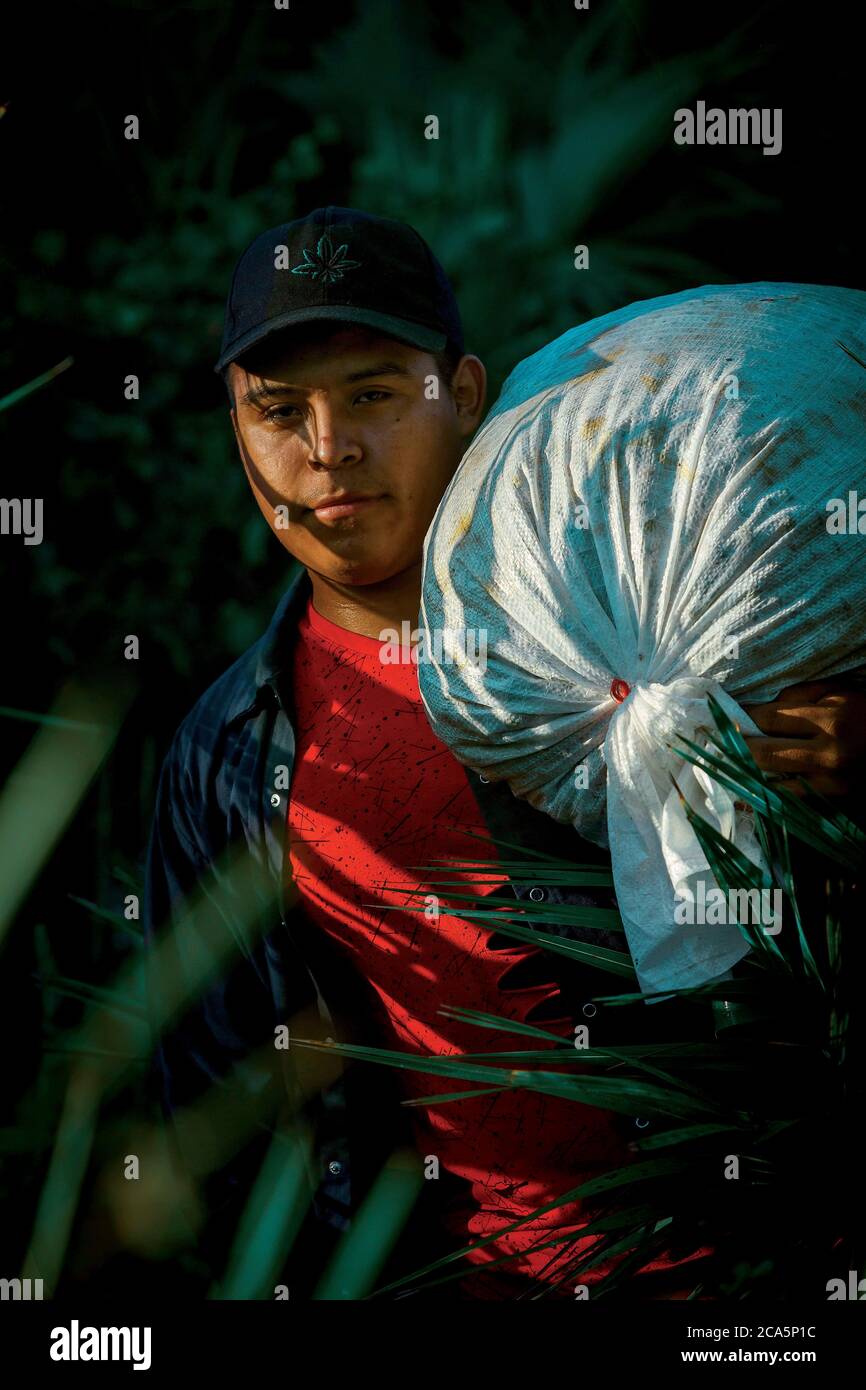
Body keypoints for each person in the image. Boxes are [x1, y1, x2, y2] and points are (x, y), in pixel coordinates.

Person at [143, 205, 866, 1301]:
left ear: (465, 393)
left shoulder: (686, 611)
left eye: (376, 394)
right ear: (237, 435)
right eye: (279, 411)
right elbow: (223, 1104)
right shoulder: (229, 755)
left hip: (772, 1264)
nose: (329, 449)